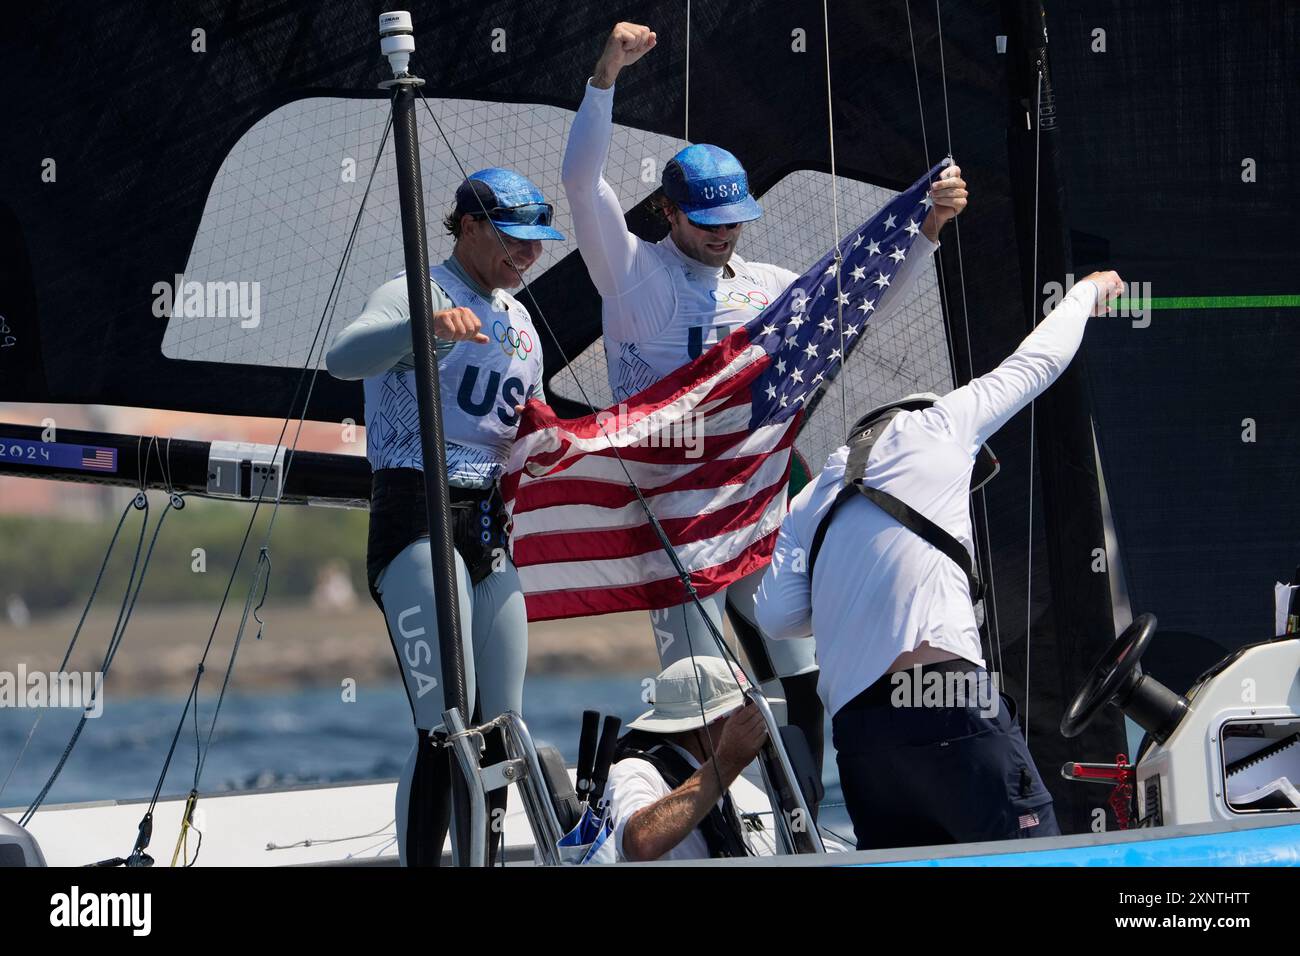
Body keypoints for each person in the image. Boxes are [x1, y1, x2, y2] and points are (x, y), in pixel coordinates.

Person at [562, 21, 971, 772]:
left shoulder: (766, 287)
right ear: (670, 214)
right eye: (709, 224)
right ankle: (699, 823)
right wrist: (604, 77)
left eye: (736, 222)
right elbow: (582, 186)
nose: (725, 237)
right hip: (675, 509)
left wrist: (929, 230)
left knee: (805, 677)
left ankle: (803, 829)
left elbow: (859, 303)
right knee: (699, 695)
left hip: (758, 498)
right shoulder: (632, 277)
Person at [754, 271, 1125, 850]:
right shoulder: (943, 423)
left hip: (861, 732)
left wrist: (846, 601)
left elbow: (775, 620)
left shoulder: (809, 498)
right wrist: (1085, 293)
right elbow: (1035, 364)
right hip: (946, 697)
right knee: (1033, 862)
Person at [325, 168, 564, 866]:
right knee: (445, 727)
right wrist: (421, 329)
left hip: (486, 525)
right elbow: (343, 360)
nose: (527, 255)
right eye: (513, 240)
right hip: (414, 515)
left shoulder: (519, 320)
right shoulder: (413, 289)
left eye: (537, 243)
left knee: (499, 729)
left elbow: (524, 416)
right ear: (468, 227)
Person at [605, 657, 770, 861]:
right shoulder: (634, 770)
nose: (754, 720)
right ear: (703, 723)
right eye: (742, 712)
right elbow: (640, 843)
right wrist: (726, 763)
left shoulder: (705, 769)